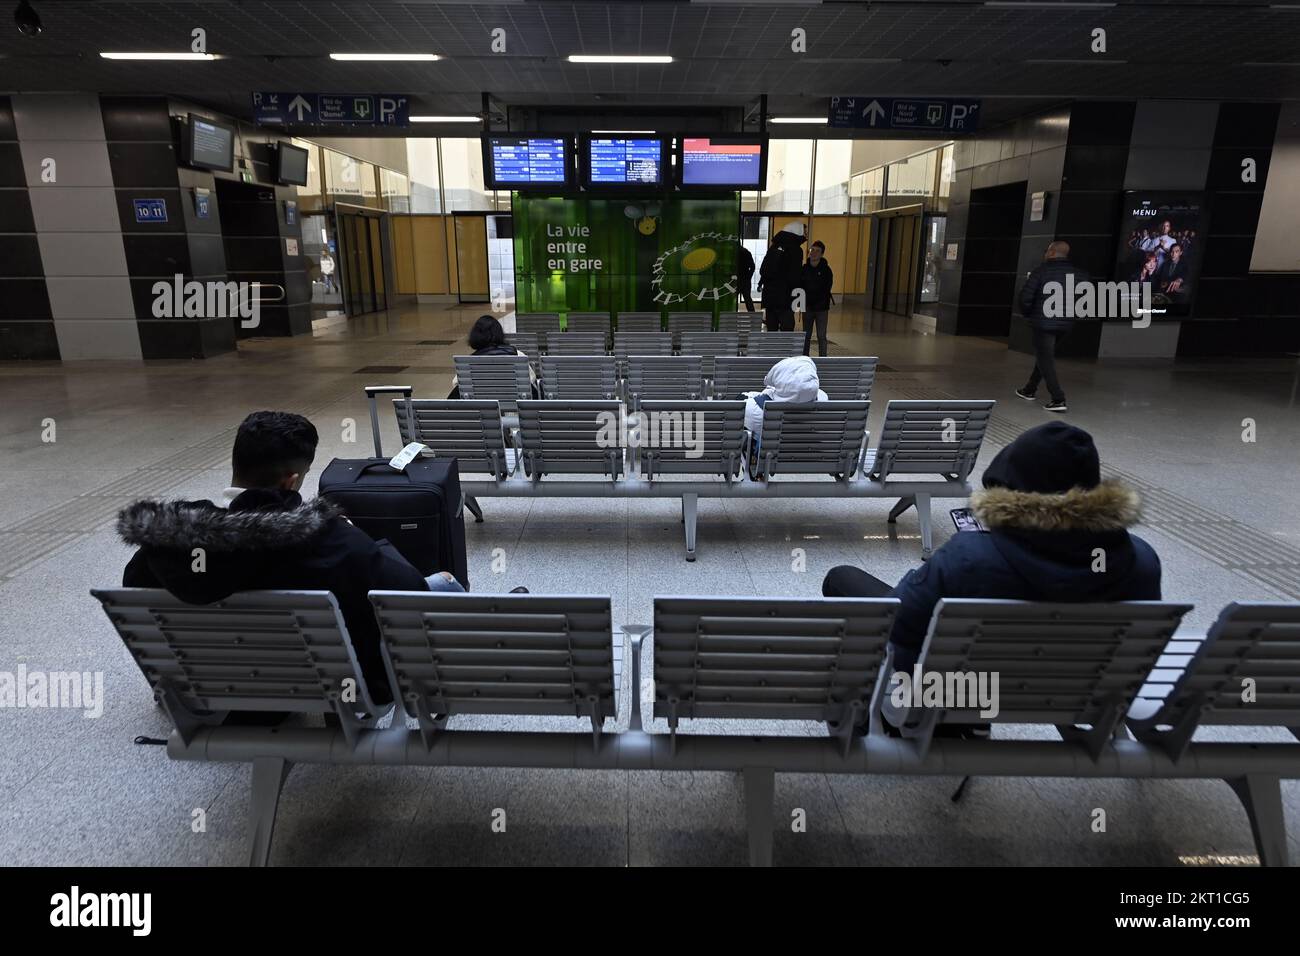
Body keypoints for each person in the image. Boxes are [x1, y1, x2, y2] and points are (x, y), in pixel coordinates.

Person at [117, 411, 470, 706]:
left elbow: (137, 583)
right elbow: (406, 592)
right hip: (344, 689)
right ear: (291, 482)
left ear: (236, 465)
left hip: (220, 688)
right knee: (441, 582)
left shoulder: (168, 543)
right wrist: (367, 542)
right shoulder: (335, 542)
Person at [823, 421, 1162, 684]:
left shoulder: (971, 557)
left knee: (841, 579)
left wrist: (922, 577)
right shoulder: (1141, 561)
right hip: (1083, 685)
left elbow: (898, 624)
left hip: (953, 686)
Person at [1014, 240, 1089, 413]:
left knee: (1045, 359)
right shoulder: (1079, 275)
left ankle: (1058, 398)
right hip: (1066, 324)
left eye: (1047, 250)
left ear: (1053, 253)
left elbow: (1025, 298)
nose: (1045, 253)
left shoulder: (1040, 272)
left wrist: (1028, 314)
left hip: (1043, 322)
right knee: (1044, 356)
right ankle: (1029, 389)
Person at [742, 356, 828, 462]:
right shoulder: (822, 408)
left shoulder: (760, 414)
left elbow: (742, 404)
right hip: (806, 451)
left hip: (770, 458)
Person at [447, 314, 538, 399]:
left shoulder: (468, 363)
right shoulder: (517, 355)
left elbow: (456, 386)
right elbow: (532, 381)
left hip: (482, 412)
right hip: (514, 410)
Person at [758, 222, 807, 332]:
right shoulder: (796, 250)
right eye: (804, 232)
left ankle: (772, 349)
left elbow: (763, 270)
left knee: (772, 330)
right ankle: (783, 349)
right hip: (785, 299)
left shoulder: (774, 246)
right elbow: (795, 277)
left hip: (769, 298)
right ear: (797, 231)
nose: (806, 235)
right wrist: (798, 298)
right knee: (787, 331)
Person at [800, 240, 834, 357]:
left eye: (817, 251)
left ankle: (822, 358)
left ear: (822, 254)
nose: (813, 253)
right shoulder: (804, 269)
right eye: (812, 250)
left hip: (821, 308)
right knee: (806, 335)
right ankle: (805, 358)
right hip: (807, 307)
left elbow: (826, 288)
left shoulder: (826, 270)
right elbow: (800, 286)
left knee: (821, 335)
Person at [737, 243, 756, 312]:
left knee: (733, 299)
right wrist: (748, 277)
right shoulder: (746, 252)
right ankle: (753, 317)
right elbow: (752, 267)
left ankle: (731, 316)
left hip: (735, 279)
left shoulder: (732, 253)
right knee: (748, 299)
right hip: (745, 279)